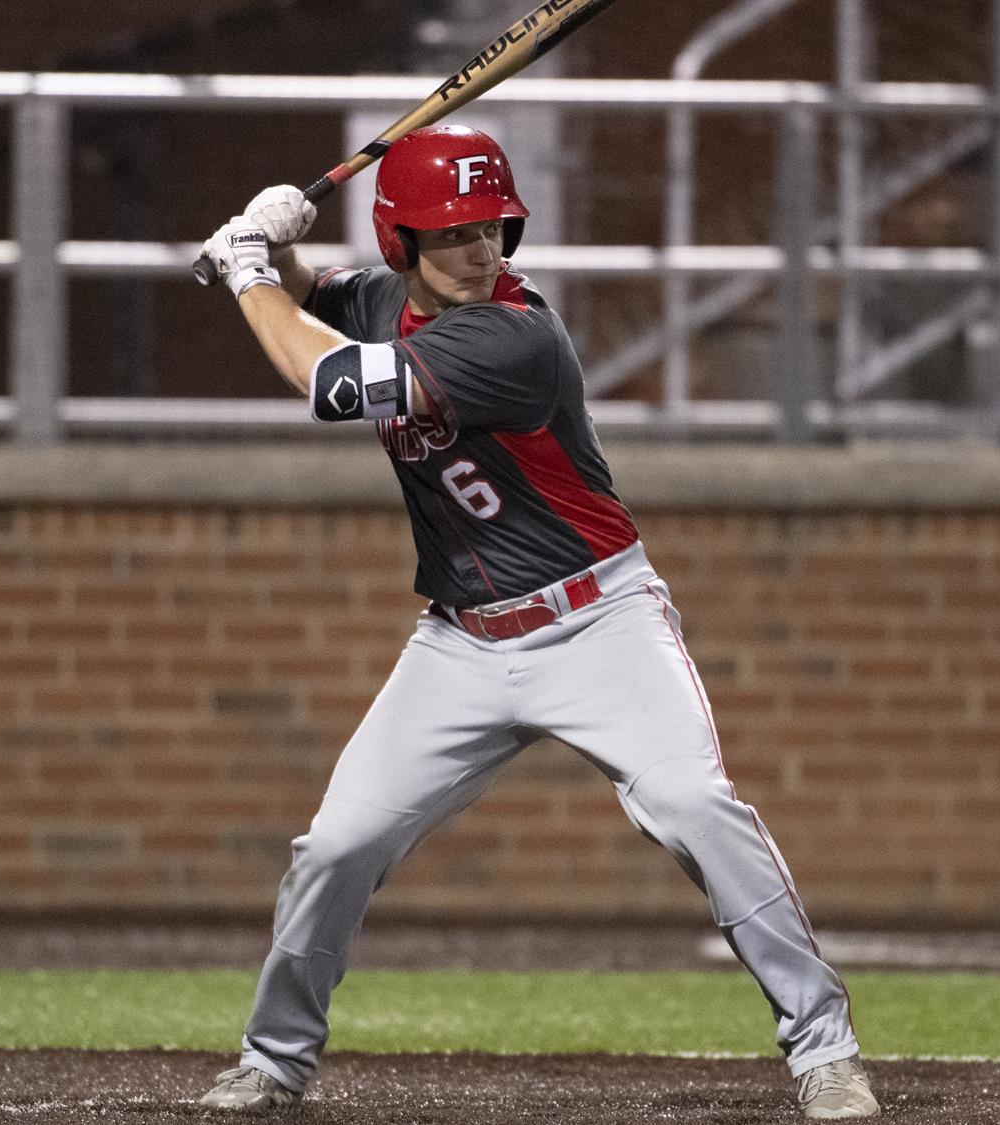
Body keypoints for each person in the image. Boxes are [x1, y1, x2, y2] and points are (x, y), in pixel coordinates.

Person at [193, 123, 878, 1121]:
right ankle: (273, 1059)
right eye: (452, 233)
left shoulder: (513, 336)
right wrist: (276, 244)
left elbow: (331, 384)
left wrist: (247, 268)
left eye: (491, 228)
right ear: (402, 243)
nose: (480, 250)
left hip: (598, 620)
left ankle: (827, 1051)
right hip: (460, 641)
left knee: (694, 806)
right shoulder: (386, 297)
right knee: (335, 845)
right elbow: (315, 300)